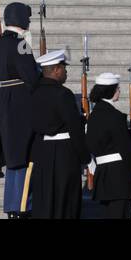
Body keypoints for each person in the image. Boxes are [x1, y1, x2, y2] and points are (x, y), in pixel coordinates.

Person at [0, 2, 40, 217]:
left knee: (13, 155)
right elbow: (30, 76)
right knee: (23, 154)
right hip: (21, 100)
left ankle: (12, 204)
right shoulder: (21, 44)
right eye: (27, 18)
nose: (29, 21)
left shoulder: (1, 42)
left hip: (5, 98)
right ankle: (22, 205)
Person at [27, 49, 86, 219]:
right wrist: (85, 157)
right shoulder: (63, 94)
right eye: (64, 68)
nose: (66, 72)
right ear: (56, 70)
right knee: (65, 200)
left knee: (45, 198)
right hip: (64, 153)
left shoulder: (34, 93)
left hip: (42, 151)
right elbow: (74, 128)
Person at [84, 71, 131, 220]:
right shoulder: (115, 116)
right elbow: (126, 149)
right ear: (110, 91)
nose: (119, 91)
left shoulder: (94, 116)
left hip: (103, 174)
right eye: (117, 88)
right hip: (119, 176)